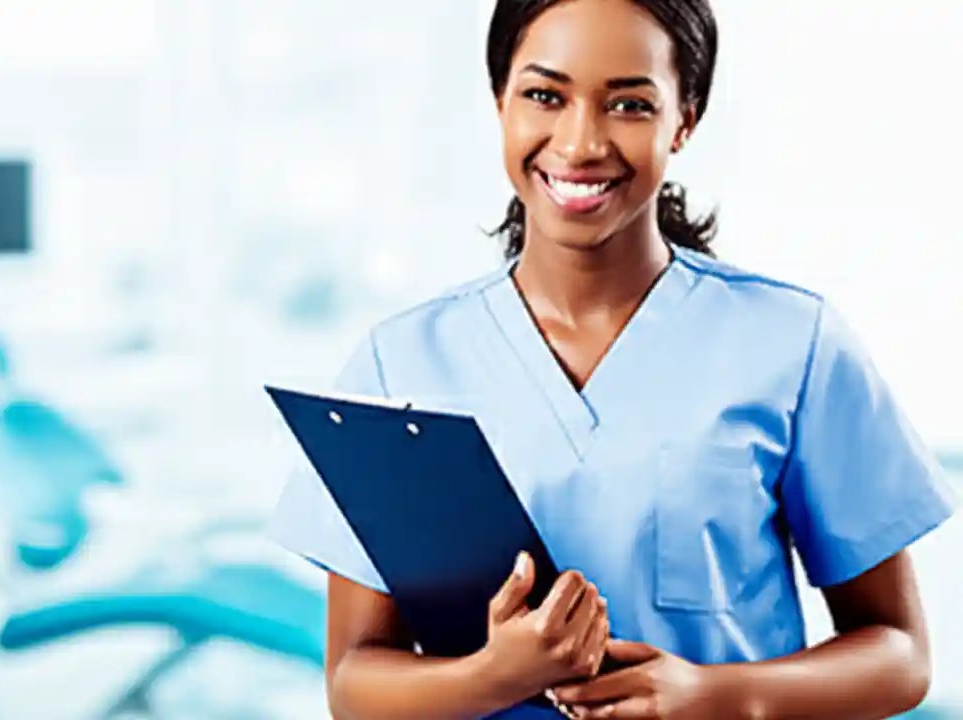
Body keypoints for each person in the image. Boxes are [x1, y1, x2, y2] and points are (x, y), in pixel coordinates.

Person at [266, 0, 959, 717]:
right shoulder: (401, 362)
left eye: (629, 104)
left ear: (684, 119)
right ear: (500, 101)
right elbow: (354, 685)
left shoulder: (792, 344)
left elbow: (901, 654)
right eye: (545, 96)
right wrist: (494, 675)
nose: (580, 143)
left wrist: (715, 696)